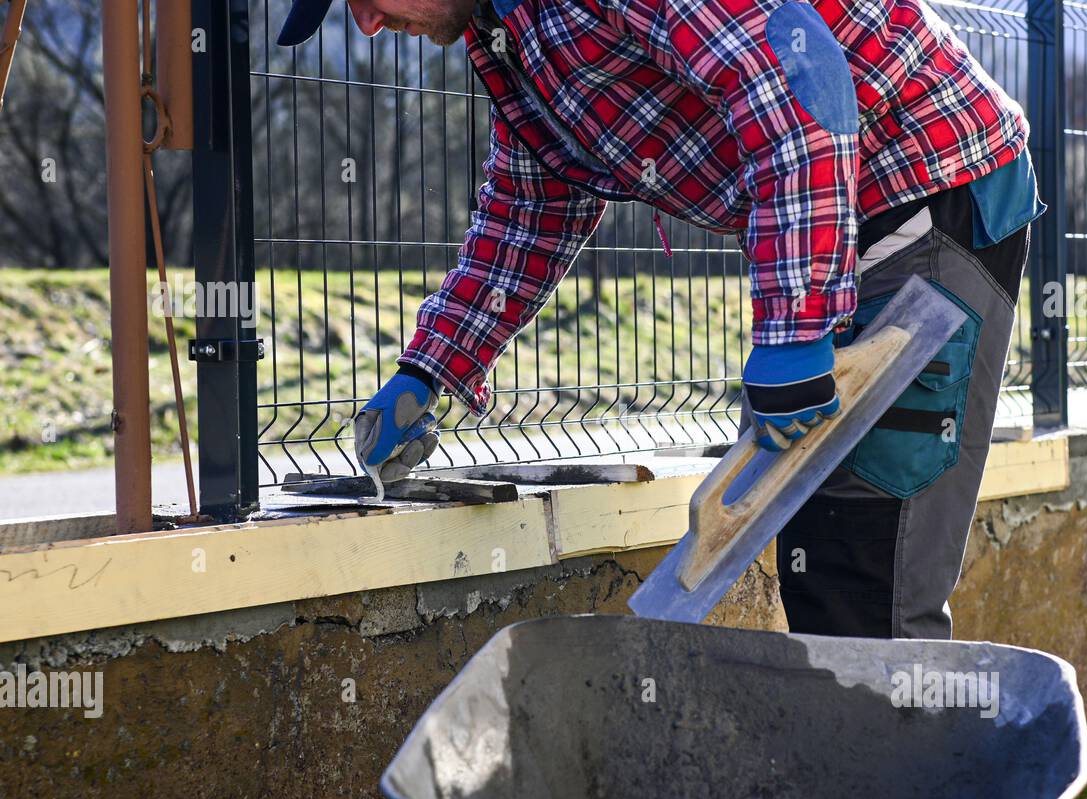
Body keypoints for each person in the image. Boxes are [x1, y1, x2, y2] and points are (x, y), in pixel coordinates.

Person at [278, 0, 1045, 639]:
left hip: (926, 181)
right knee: (826, 545)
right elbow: (529, 212)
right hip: (840, 209)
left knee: (863, 562)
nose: (369, 24)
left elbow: (799, 89)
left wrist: (793, 331)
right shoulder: (509, 36)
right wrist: (427, 370)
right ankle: (852, 797)